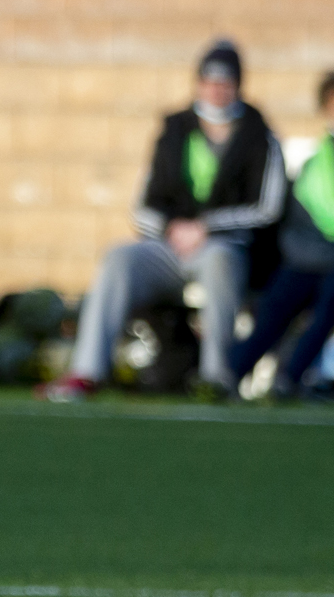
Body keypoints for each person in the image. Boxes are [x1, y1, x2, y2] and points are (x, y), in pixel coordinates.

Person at [43, 39, 285, 401]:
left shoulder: (260, 136)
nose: (216, 91)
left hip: (225, 246)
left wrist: (206, 228)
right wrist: (174, 229)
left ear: (237, 86)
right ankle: (87, 371)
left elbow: (267, 208)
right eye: (209, 81)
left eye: (225, 82)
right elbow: (141, 205)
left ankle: (215, 376)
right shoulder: (173, 130)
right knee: (119, 258)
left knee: (220, 260)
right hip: (169, 245)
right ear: (198, 83)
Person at [228, 72, 334, 398]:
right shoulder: (317, 161)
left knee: (326, 312)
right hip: (307, 260)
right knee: (273, 313)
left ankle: (292, 377)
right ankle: (228, 375)